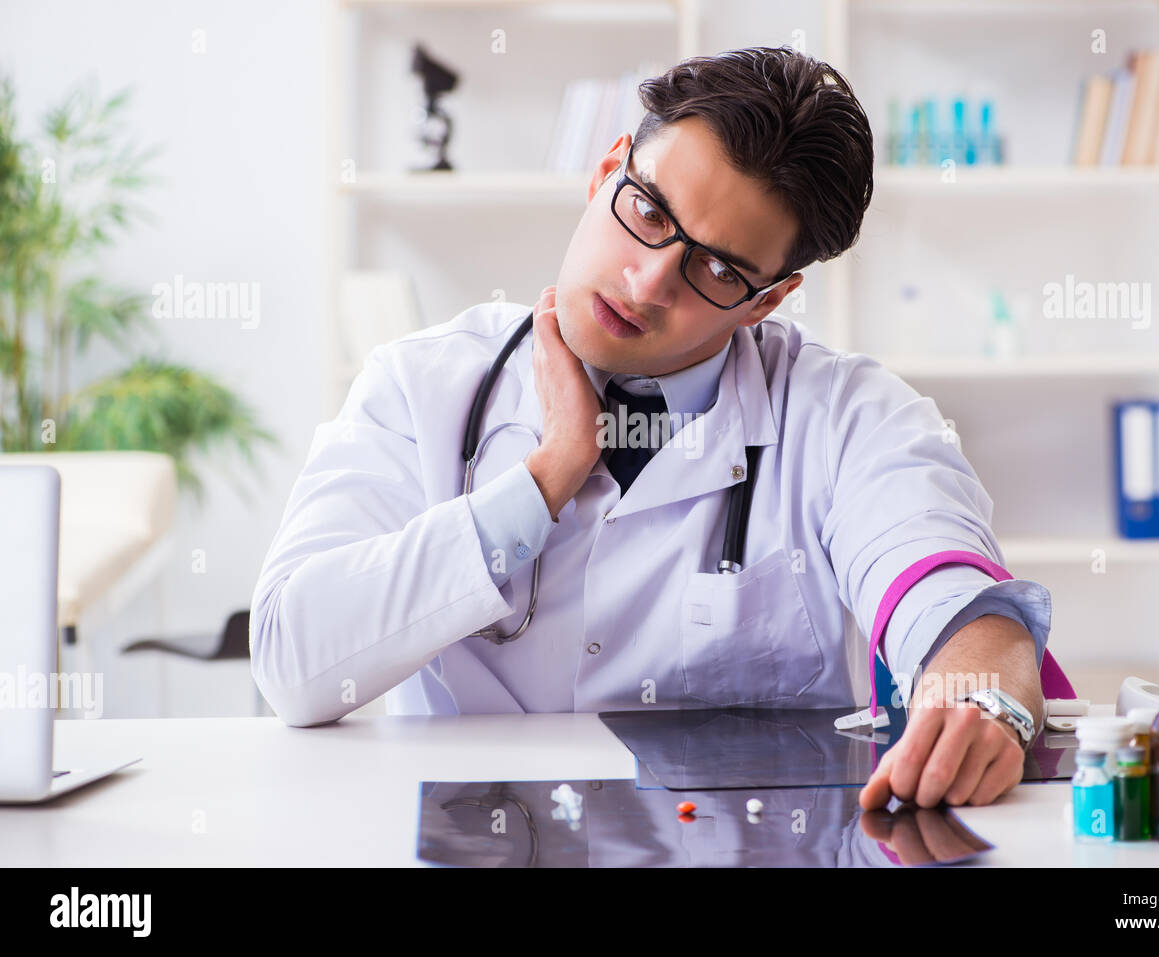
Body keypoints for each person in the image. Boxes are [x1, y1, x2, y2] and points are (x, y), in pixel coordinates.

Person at [250, 46, 1056, 810]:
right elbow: (294, 661)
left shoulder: (847, 417)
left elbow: (956, 610)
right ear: (606, 173)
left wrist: (982, 703)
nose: (647, 281)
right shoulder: (423, 386)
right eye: (648, 211)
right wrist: (544, 480)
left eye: (715, 268)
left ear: (766, 300)